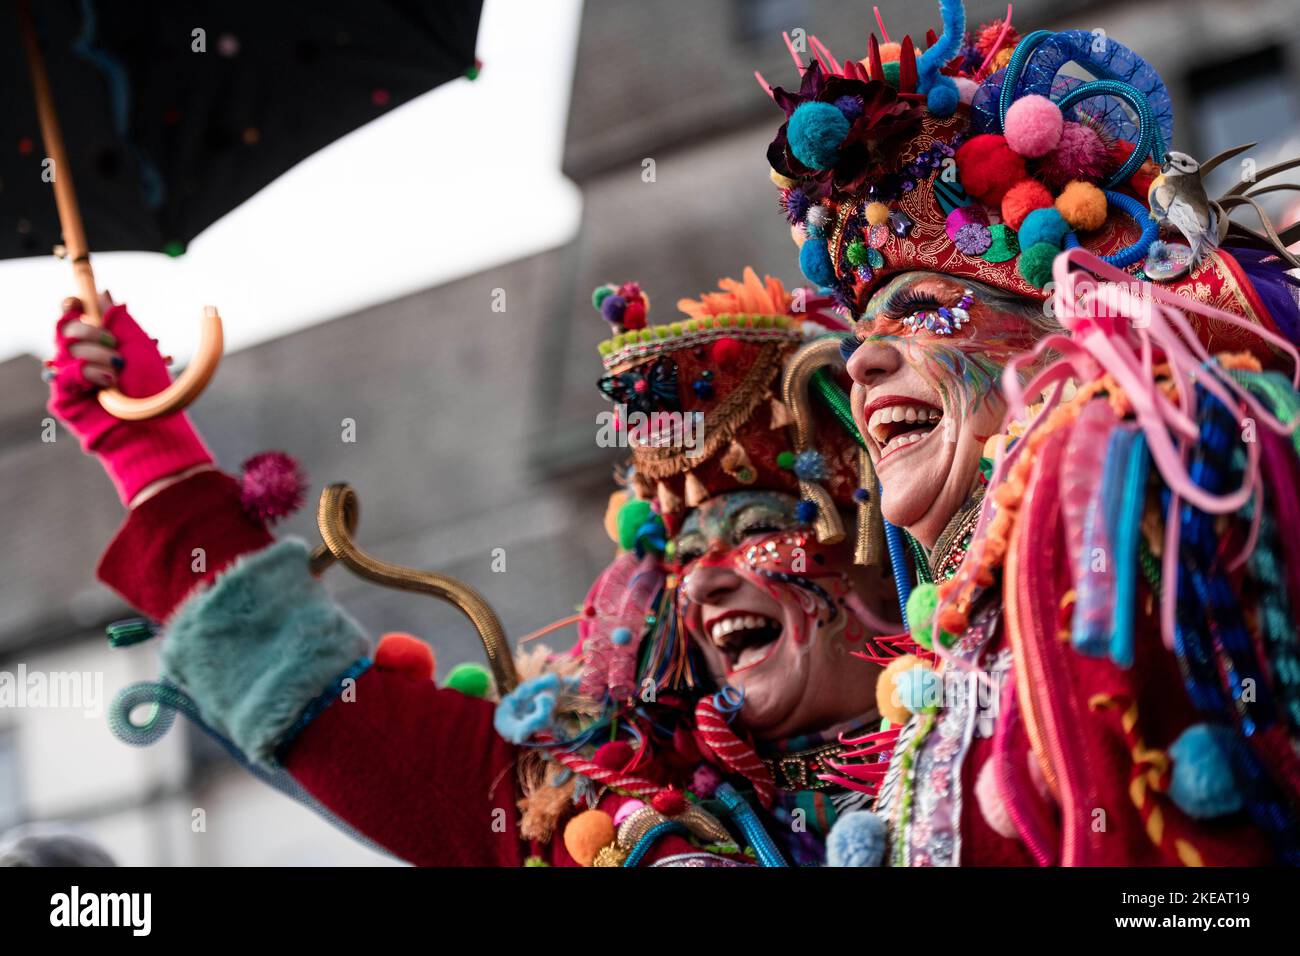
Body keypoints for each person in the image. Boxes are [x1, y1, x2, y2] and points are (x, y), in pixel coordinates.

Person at [45, 272, 900, 866]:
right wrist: (144, 443)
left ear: (876, 534)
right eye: (680, 553)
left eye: (752, 526)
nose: (703, 582)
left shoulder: (1009, 709)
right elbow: (345, 722)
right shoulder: (587, 812)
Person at [762, 0, 1300, 864]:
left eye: (926, 312)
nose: (858, 370)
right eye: (858, 341)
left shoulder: (1134, 502)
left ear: (1065, 333)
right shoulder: (957, 652)